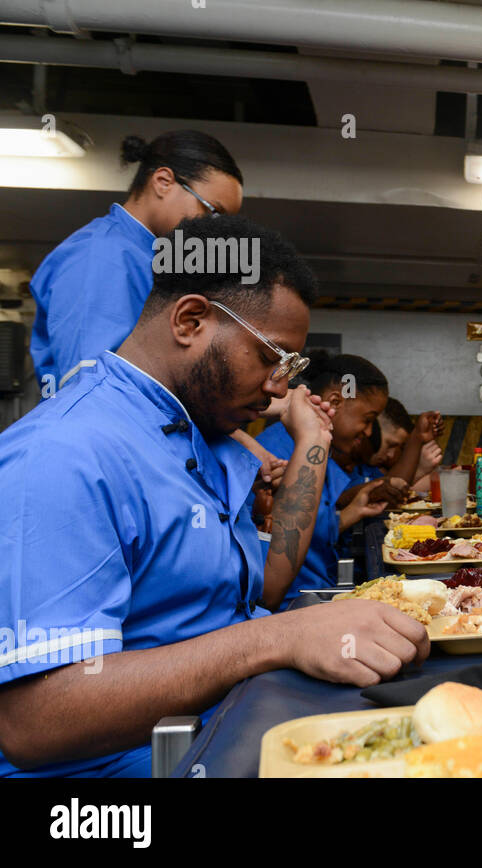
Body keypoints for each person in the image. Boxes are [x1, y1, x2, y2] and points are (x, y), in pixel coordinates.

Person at [0, 215, 430, 776]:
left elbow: (271, 584)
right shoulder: (64, 453)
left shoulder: (203, 437)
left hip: (232, 727)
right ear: (191, 320)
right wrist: (273, 639)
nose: (280, 385)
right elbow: (36, 721)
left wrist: (314, 440)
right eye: (270, 358)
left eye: (291, 367)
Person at [30, 130, 243, 391]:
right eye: (214, 213)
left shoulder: (151, 258)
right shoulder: (101, 257)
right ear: (163, 182)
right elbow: (93, 388)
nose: (217, 231)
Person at [257, 353, 394, 606]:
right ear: (334, 401)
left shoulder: (323, 449)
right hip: (289, 601)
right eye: (368, 419)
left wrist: (354, 510)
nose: (367, 432)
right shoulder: (277, 452)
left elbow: (319, 520)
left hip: (316, 588)